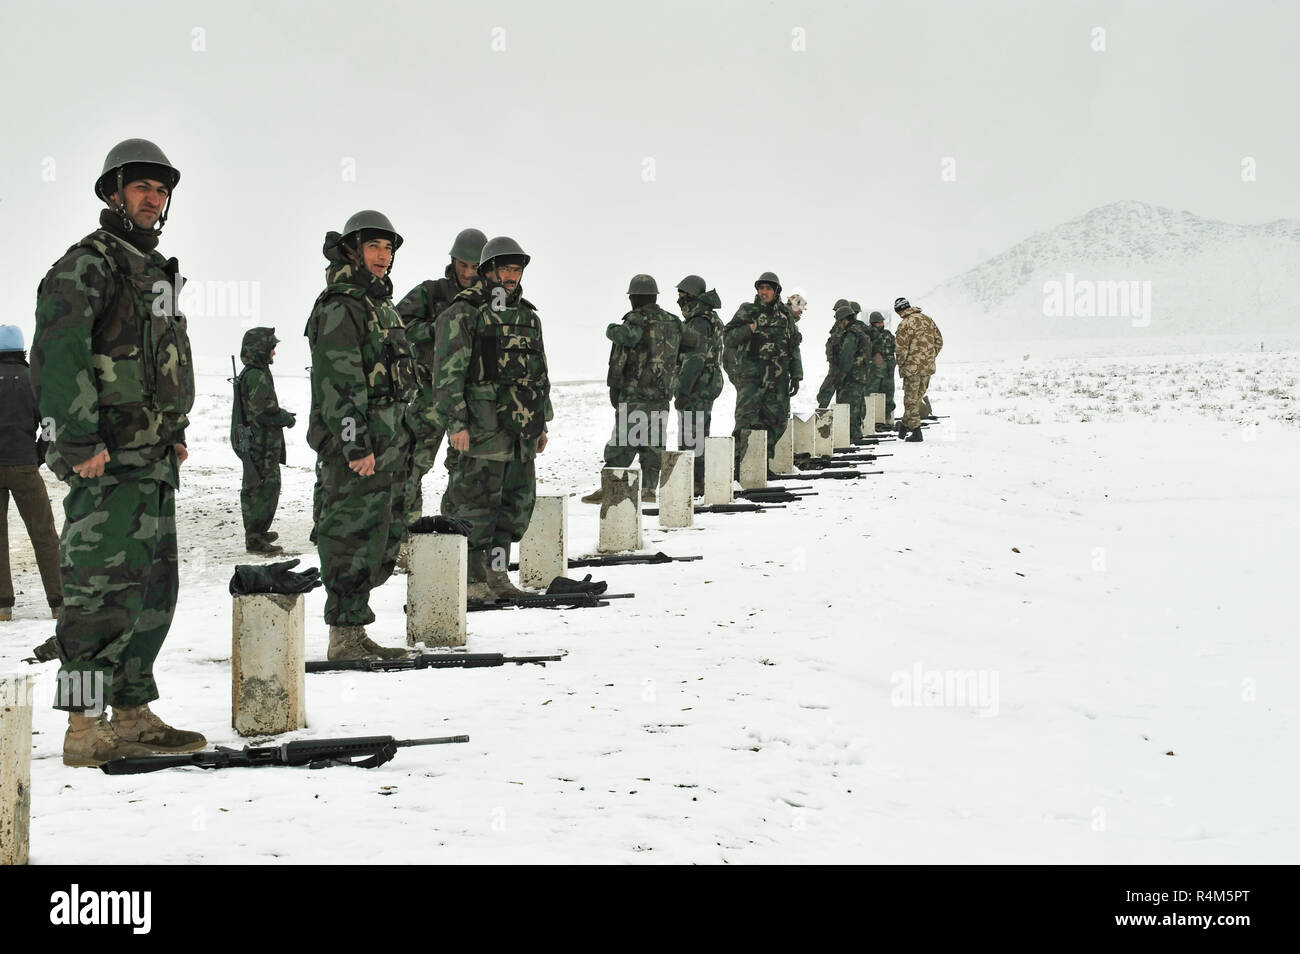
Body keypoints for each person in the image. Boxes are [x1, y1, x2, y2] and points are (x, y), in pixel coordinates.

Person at [30, 138, 204, 766]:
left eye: (161, 191)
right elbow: (59, 352)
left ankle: (130, 711)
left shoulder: (153, 272)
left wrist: (176, 427)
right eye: (142, 188)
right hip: (106, 461)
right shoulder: (89, 264)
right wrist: (76, 439)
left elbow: (164, 362)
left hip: (151, 459)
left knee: (153, 592)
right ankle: (82, 725)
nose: (153, 200)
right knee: (96, 597)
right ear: (114, 193)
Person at [304, 210, 415, 659]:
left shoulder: (379, 304)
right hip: (358, 449)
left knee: (378, 535)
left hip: (388, 444)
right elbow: (338, 381)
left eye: (388, 248)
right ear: (352, 250)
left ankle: (355, 628)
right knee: (349, 535)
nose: (383, 256)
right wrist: (354, 444)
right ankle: (344, 636)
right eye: (374, 246)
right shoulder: (341, 305)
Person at [433, 236, 551, 599]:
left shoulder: (529, 316)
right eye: (505, 269)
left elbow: (540, 372)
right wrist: (457, 424)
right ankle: (471, 583)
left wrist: (542, 422)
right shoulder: (464, 312)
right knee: (474, 510)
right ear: (487, 271)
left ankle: (498, 578)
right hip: (481, 433)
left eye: (517, 269)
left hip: (520, 433)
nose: (512, 276)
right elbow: (448, 374)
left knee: (512, 512)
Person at [395, 227, 487, 527]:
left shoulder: (491, 300)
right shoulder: (431, 292)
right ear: (453, 261)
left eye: (476, 267)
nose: (469, 273)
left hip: (471, 399)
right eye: (464, 265)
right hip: (431, 395)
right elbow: (396, 326)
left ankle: (456, 535)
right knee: (411, 465)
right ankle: (406, 534)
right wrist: (435, 329)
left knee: (464, 471)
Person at [582, 275, 694, 504]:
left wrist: (611, 328)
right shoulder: (673, 321)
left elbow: (626, 337)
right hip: (662, 395)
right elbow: (693, 341)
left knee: (623, 443)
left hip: (636, 394)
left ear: (634, 298)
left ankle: (611, 488)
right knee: (654, 445)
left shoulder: (636, 320)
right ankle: (649, 491)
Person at [0, 325, 63, 622]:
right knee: (44, 534)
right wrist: (40, 454)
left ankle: (3, 606)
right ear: (21, 349)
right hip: (25, 466)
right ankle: (58, 601)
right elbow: (50, 422)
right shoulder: (33, 380)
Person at [723, 271, 802, 471]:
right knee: (745, 423)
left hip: (777, 379)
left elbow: (793, 346)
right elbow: (728, 338)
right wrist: (748, 328)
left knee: (777, 422)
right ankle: (737, 468)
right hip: (751, 378)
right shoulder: (747, 311)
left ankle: (762, 466)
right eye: (761, 288)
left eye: (768, 288)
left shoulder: (785, 316)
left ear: (776, 291)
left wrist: (797, 375)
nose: (764, 292)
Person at [235, 327, 295, 554]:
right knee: (261, 488)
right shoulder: (256, 375)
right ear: (261, 349)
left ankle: (258, 532)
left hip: (262, 442)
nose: (274, 352)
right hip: (261, 444)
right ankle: (255, 537)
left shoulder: (255, 372)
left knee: (264, 487)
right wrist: (286, 418)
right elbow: (263, 411)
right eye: (272, 347)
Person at [674, 276, 725, 496]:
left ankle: (695, 483)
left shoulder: (698, 321)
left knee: (691, 435)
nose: (679, 299)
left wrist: (682, 390)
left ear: (691, 295)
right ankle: (698, 481)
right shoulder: (707, 318)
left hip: (697, 384)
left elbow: (695, 359)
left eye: (682, 294)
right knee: (698, 433)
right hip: (705, 382)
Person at [817, 304, 873, 442]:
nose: (839, 325)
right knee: (856, 405)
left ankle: (851, 435)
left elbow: (846, 357)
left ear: (844, 320)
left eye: (840, 322)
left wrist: (840, 376)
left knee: (848, 406)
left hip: (851, 376)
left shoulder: (851, 334)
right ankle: (855, 434)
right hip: (859, 375)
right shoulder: (859, 331)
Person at [893, 297, 943, 442]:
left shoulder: (905, 324)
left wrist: (901, 364)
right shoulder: (928, 320)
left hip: (912, 368)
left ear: (899, 310)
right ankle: (904, 426)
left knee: (910, 400)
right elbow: (939, 341)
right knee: (916, 398)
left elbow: (901, 349)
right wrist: (929, 357)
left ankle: (916, 431)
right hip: (927, 368)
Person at [867, 310, 897, 427]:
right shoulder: (868, 335)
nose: (880, 325)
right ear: (872, 323)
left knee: (889, 395)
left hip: (888, 371)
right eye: (878, 323)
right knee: (873, 395)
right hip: (874, 372)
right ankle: (873, 420)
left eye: (881, 322)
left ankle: (887, 419)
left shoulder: (888, 335)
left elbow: (896, 347)